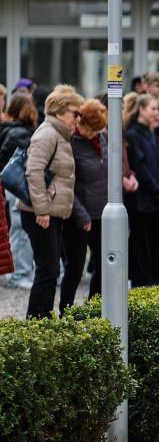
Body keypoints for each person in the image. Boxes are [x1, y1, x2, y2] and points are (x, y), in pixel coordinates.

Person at [18, 85, 82, 317]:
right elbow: (33, 171)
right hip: (40, 213)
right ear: (59, 111)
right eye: (76, 113)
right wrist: (42, 210)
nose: (78, 118)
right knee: (48, 270)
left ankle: (42, 318)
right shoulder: (48, 134)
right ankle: (35, 321)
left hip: (51, 213)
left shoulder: (60, 135)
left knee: (50, 270)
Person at [60, 99, 108, 310]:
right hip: (77, 215)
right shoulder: (70, 142)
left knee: (103, 264)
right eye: (90, 129)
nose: (93, 134)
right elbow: (66, 184)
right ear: (80, 121)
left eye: (98, 130)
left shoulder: (102, 139)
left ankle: (93, 307)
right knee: (75, 268)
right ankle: (66, 310)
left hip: (101, 214)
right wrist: (81, 215)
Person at [124, 94, 159, 287]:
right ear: (141, 109)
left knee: (157, 240)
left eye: (157, 110)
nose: (156, 113)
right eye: (152, 109)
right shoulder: (134, 133)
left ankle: (155, 277)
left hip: (156, 196)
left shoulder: (151, 133)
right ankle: (141, 279)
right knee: (141, 240)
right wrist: (154, 185)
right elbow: (140, 164)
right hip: (142, 197)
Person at [1, 92, 38, 289]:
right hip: (18, 184)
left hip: (14, 185)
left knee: (18, 227)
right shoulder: (20, 132)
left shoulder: (12, 130)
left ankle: (18, 271)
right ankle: (18, 273)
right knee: (19, 227)